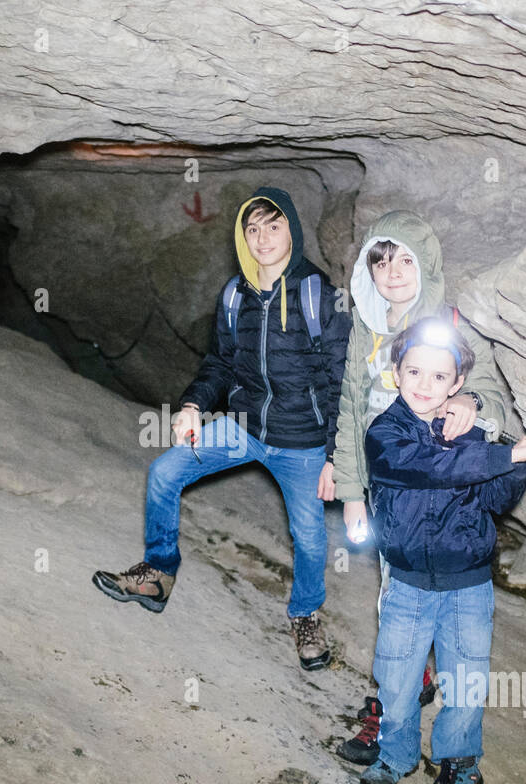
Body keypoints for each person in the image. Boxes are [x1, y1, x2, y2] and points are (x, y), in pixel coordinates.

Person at [93, 187, 351, 670]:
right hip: (244, 428)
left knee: (311, 538)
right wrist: (193, 404)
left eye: (273, 226)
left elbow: (343, 381)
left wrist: (338, 457)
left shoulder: (320, 296)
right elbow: (219, 363)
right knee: (165, 473)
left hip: (303, 443)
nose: (262, 238)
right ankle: (158, 572)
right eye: (252, 229)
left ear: (291, 229)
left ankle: (305, 615)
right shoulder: (236, 295)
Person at [321, 210, 517, 765]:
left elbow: (494, 401)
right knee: (398, 606)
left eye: (405, 259)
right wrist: (353, 491)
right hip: (391, 498)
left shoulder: (450, 323)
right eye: (381, 262)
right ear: (368, 270)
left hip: (447, 499)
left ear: (425, 264)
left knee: (437, 615)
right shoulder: (364, 327)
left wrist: (470, 402)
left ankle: (420, 723)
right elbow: (351, 412)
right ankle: (396, 711)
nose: (394, 272)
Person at [355, 318, 526, 784]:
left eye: (439, 377)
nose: (424, 384)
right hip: (406, 583)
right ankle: (395, 754)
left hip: (468, 584)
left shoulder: (471, 437)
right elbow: (427, 468)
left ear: (457, 384)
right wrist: (504, 453)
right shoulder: (384, 434)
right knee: (397, 678)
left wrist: (519, 460)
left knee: (465, 681)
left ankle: (456, 765)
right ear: (396, 374)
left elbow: (494, 497)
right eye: (414, 371)